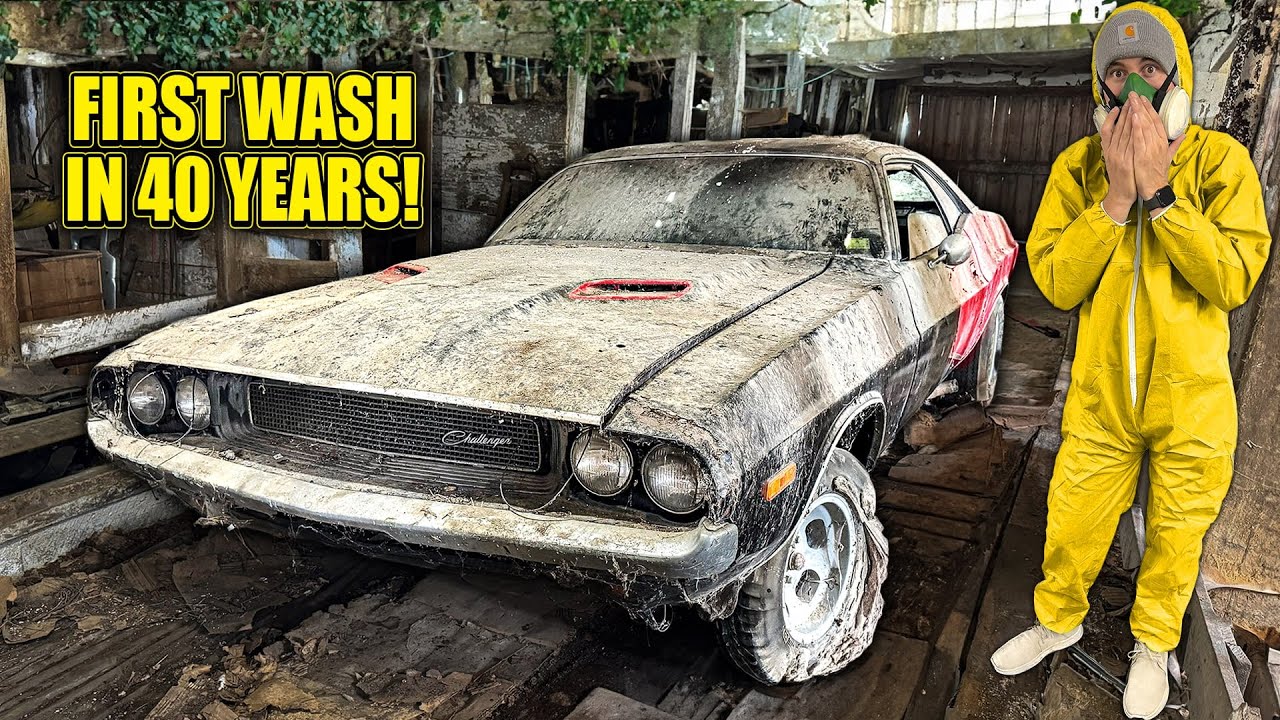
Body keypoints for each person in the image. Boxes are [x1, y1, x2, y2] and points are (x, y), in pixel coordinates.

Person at [989, 3, 1272, 719]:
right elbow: (1057, 281)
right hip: (1102, 399)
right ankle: (1059, 620)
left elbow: (1233, 278)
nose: (1135, 87)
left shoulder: (1220, 163)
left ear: (1177, 84)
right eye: (1118, 72)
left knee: (1177, 534)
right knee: (1073, 517)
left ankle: (1153, 644)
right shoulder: (1078, 169)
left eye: (1150, 69)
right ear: (1100, 88)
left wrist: (1162, 196)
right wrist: (1116, 196)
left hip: (1193, 402)